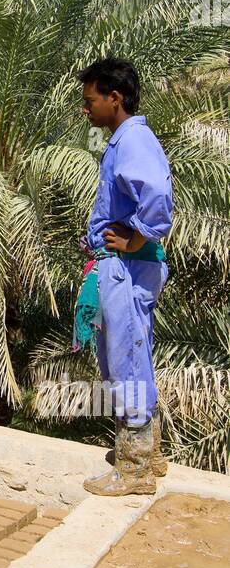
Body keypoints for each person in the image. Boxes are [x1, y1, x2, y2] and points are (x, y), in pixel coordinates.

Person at [76, 58, 173, 495]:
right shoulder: (125, 140)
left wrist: (136, 239)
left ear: (114, 98)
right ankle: (148, 453)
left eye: (90, 100)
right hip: (124, 264)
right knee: (134, 349)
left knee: (125, 357)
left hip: (129, 266)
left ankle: (133, 471)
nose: (86, 109)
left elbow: (156, 197)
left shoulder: (133, 140)